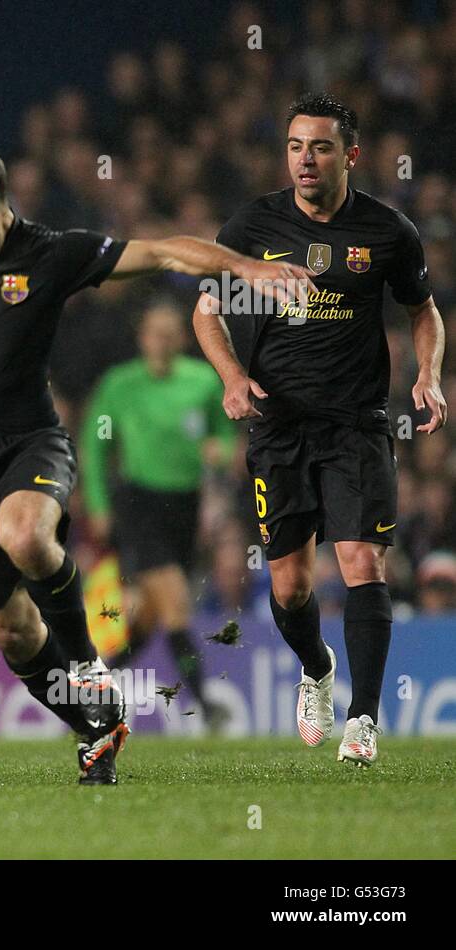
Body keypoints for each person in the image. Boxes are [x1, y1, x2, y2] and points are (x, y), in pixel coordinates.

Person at [0, 137, 311, 784]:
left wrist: (243, 267)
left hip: (29, 440)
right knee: (11, 633)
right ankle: (94, 726)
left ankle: (87, 666)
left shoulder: (53, 253)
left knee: (24, 535)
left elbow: (160, 249)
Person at [192, 93, 447, 767]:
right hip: (277, 427)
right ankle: (316, 668)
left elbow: (425, 311)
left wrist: (429, 372)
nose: (306, 159)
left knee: (362, 562)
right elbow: (206, 313)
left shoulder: (387, 232)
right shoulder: (254, 225)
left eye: (322, 147)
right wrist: (230, 379)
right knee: (289, 588)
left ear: (350, 155)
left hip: (356, 425)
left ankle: (363, 719)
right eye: (296, 146)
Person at [82, 303, 234, 726]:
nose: (162, 341)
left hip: (185, 506)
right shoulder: (120, 384)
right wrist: (97, 502)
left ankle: (89, 685)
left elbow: (225, 435)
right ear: (142, 337)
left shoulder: (202, 381)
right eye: (155, 332)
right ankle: (207, 708)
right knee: (176, 605)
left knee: (148, 621)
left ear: (182, 339)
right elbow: (95, 446)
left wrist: (219, 454)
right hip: (138, 504)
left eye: (170, 333)